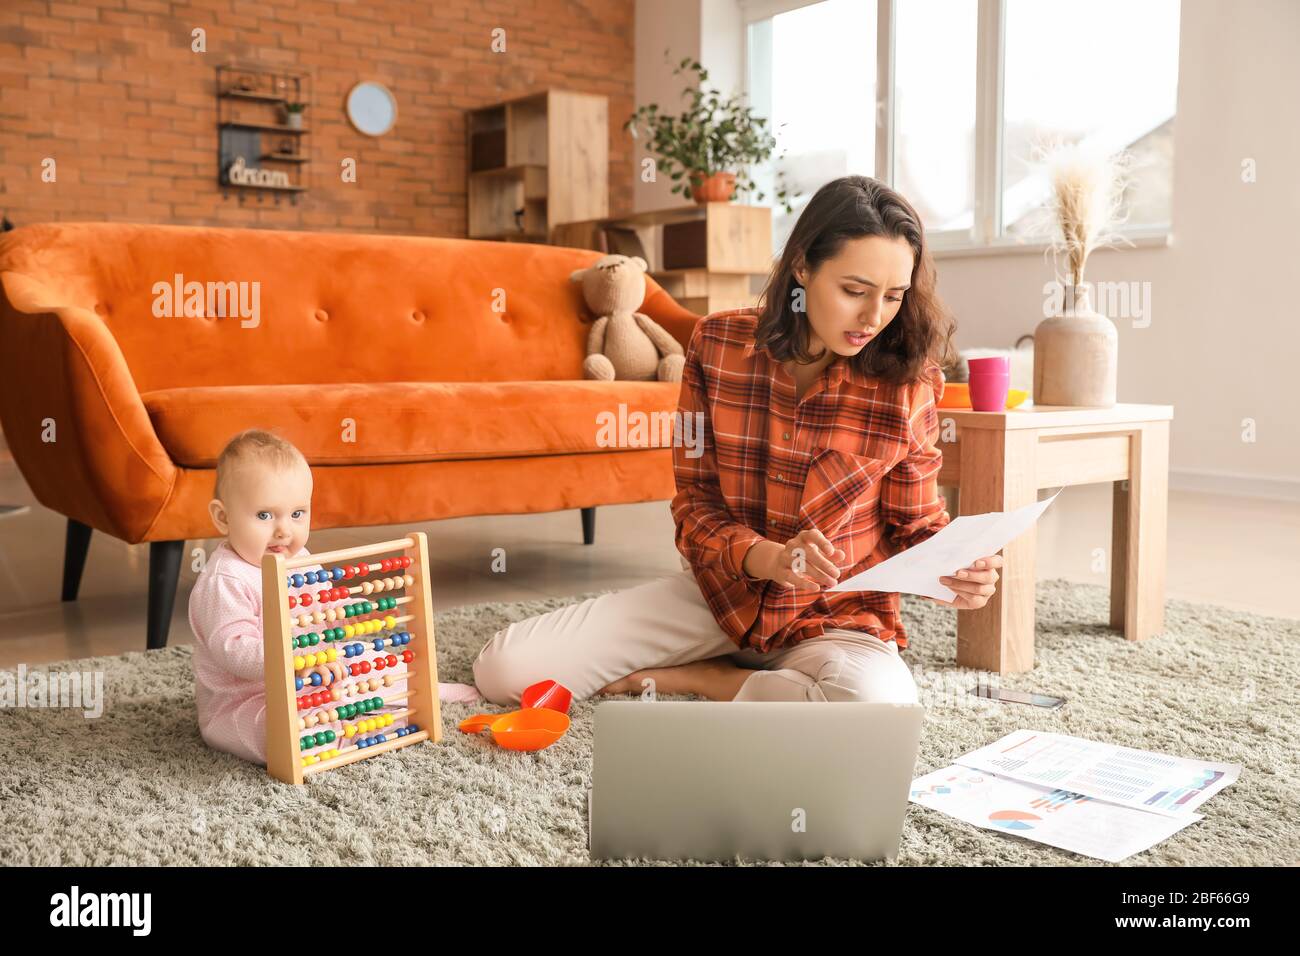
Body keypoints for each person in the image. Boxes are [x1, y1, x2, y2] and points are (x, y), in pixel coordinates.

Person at [473, 175, 1003, 707]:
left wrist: (954, 566)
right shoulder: (718, 344)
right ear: (802, 267)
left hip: (834, 618)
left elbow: (916, 524)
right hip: (722, 597)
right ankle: (741, 671)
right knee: (504, 671)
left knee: (879, 710)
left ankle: (707, 678)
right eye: (853, 291)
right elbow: (694, 507)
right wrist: (770, 558)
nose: (873, 318)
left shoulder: (908, 383)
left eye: (893, 296)